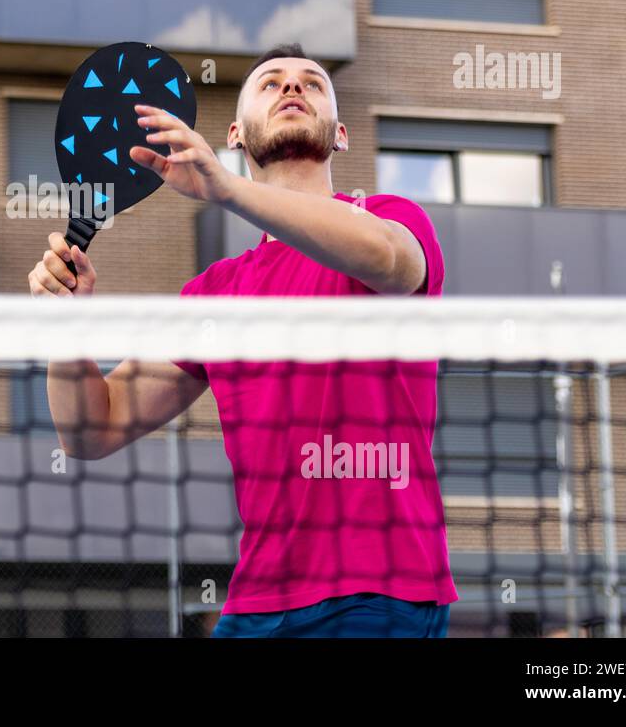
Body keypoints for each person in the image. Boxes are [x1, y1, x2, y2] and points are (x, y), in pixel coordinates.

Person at [27, 44, 458, 637]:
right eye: (271, 83)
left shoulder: (392, 219)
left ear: (341, 134)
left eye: (312, 83)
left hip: (378, 591)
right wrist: (66, 328)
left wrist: (226, 189)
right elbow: (91, 429)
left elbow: (389, 261)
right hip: (256, 604)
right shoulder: (216, 295)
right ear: (235, 132)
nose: (292, 88)